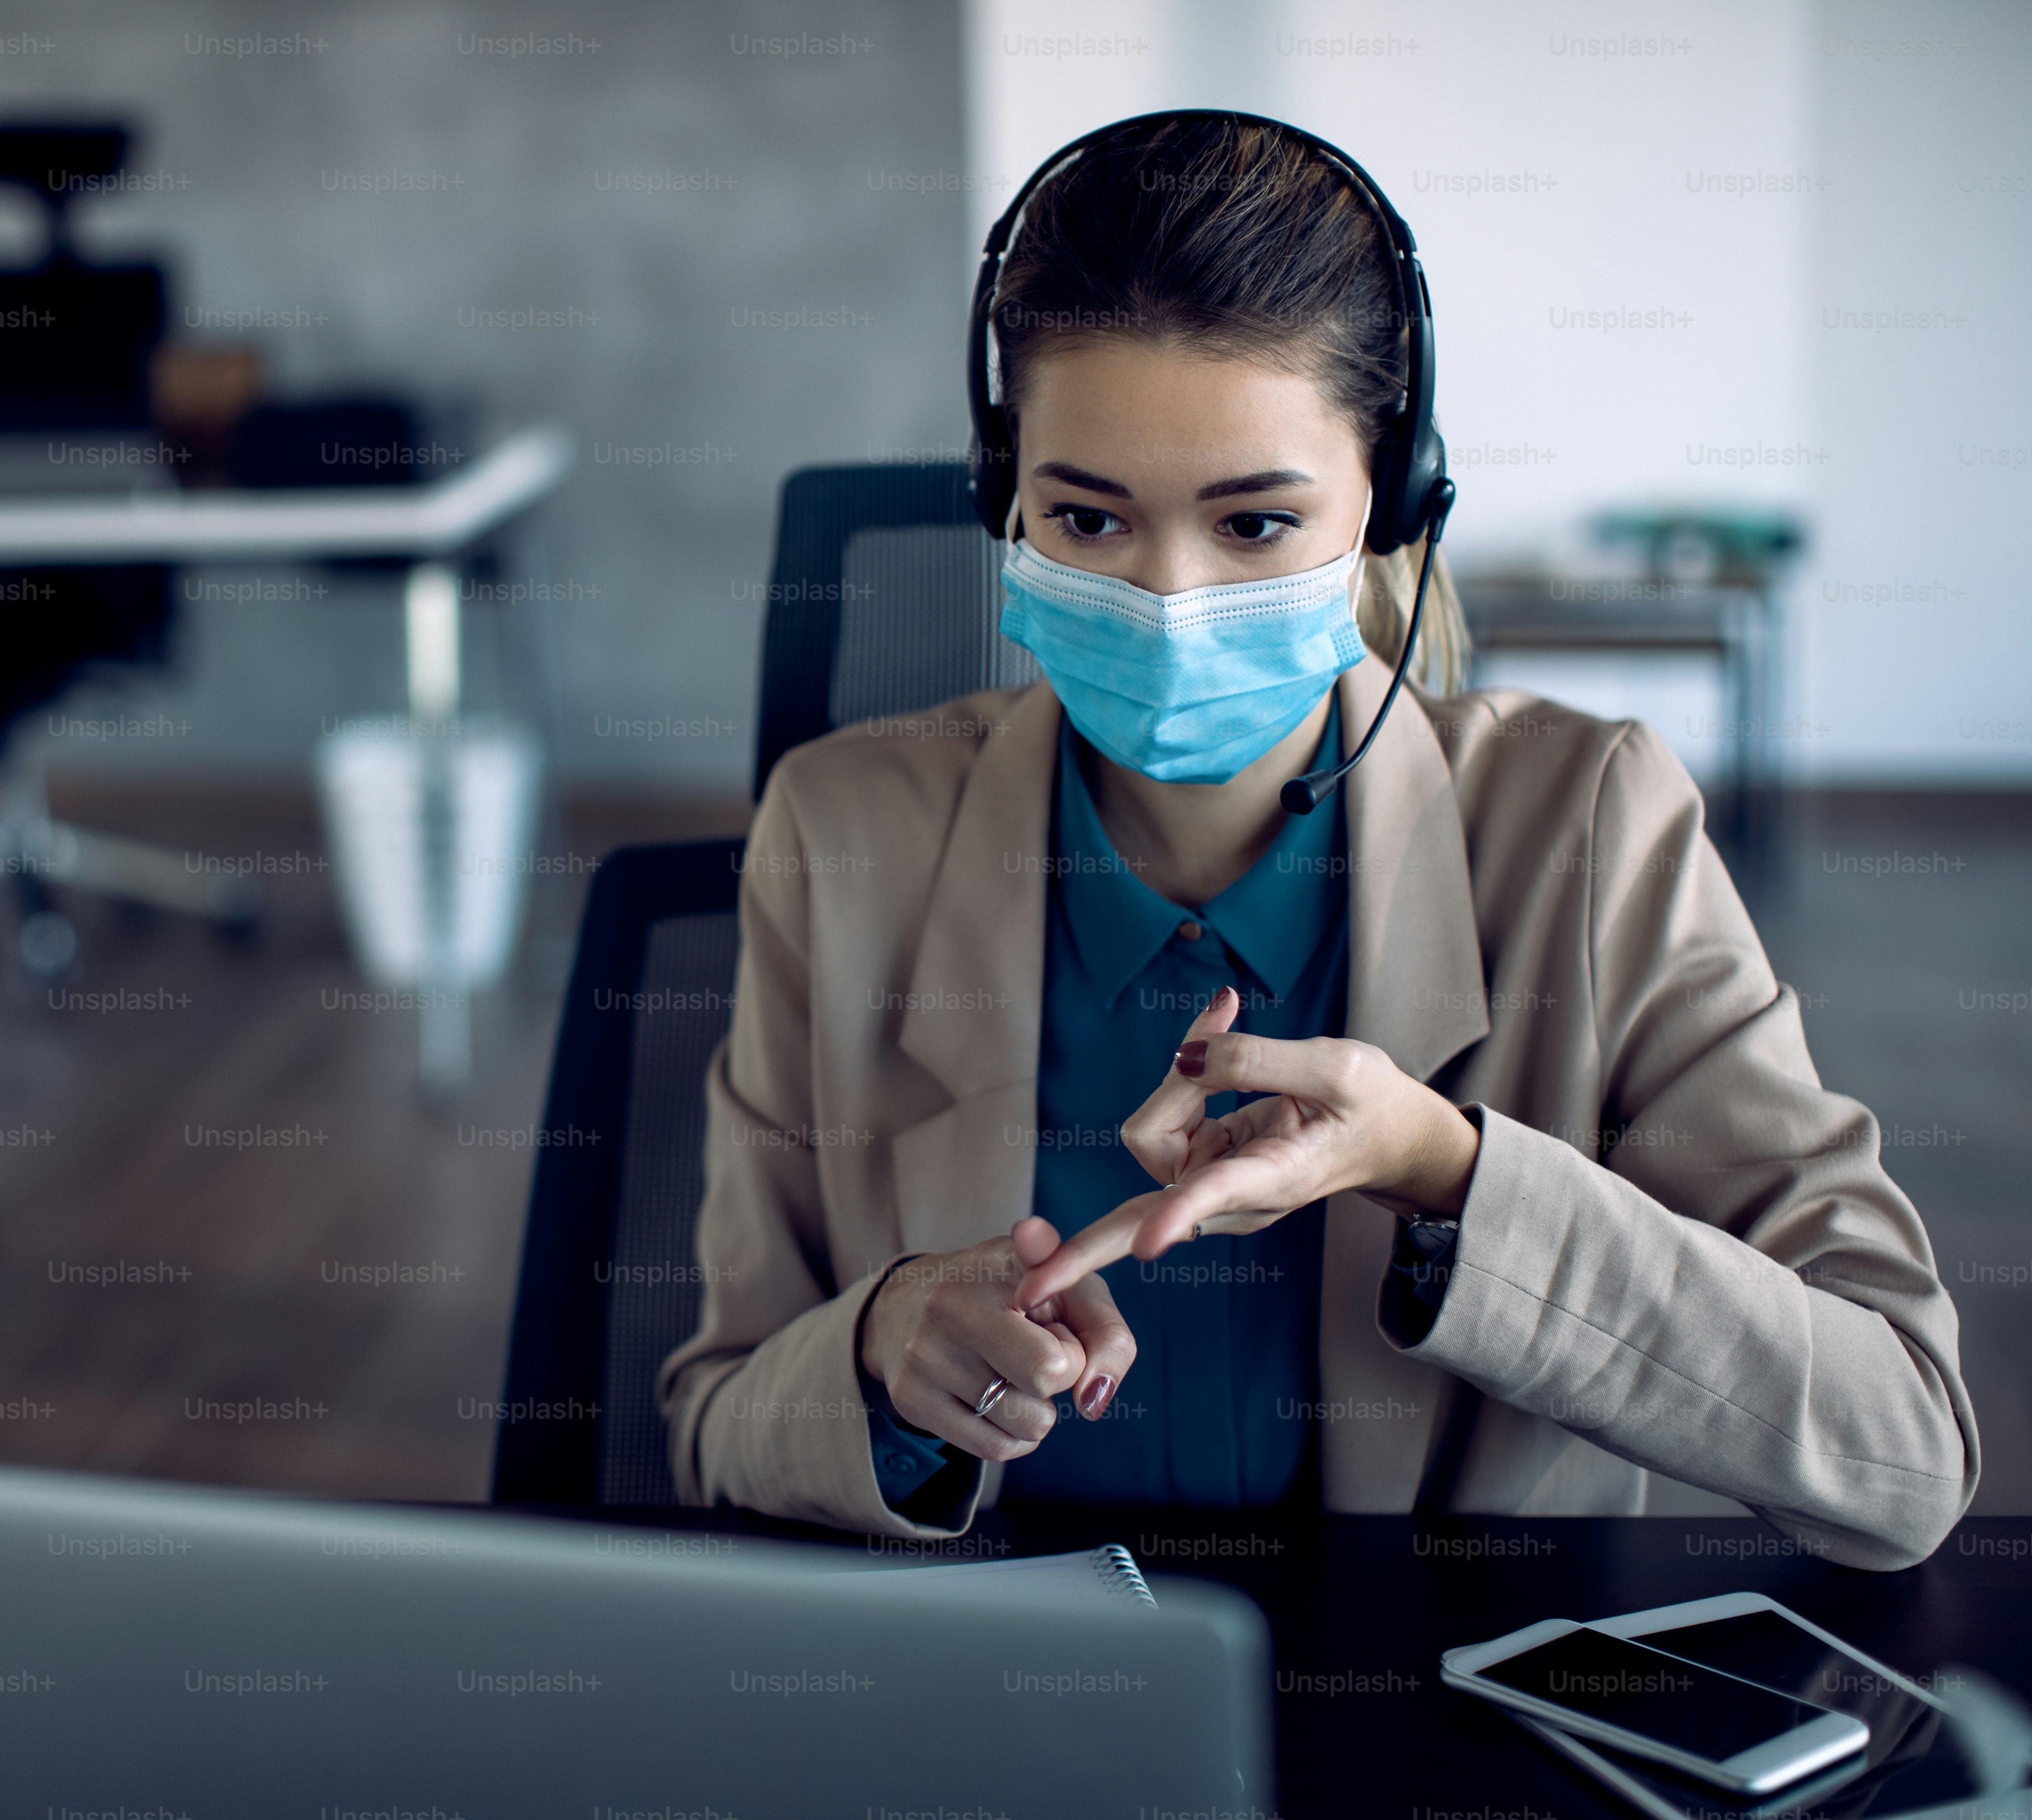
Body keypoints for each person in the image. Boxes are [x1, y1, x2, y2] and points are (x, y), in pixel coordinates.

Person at [656, 113, 1975, 1571]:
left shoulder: (1595, 831)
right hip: (992, 1689)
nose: (1167, 598)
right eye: (1086, 519)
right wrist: (875, 1353)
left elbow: (1901, 1455)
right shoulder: (844, 832)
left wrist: (1448, 1175)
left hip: (1428, 1700)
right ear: (1004, 496)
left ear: (1392, 506)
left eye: (1255, 527)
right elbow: (714, 1428)